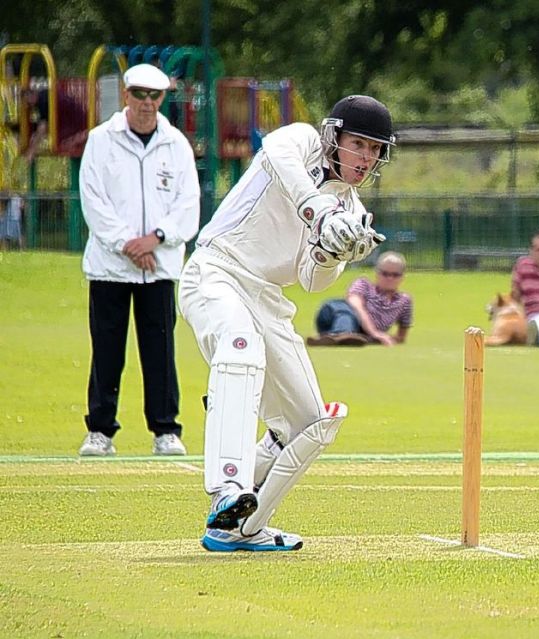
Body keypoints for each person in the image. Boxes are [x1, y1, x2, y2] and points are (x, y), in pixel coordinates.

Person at [178, 94, 394, 551]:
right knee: (240, 345)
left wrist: (329, 252)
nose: (365, 158)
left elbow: (312, 280)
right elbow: (276, 155)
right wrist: (319, 212)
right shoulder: (302, 141)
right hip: (217, 270)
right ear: (334, 137)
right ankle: (228, 487)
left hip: (269, 300)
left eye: (375, 149)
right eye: (359, 144)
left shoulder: (354, 212)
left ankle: (239, 527)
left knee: (309, 422)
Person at [77, 64, 200, 457]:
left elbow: (188, 206)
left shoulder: (176, 144)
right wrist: (128, 244)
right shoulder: (101, 140)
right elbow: (93, 201)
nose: (147, 103)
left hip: (159, 267)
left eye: (154, 96)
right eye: (140, 95)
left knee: (160, 351)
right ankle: (100, 431)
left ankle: (166, 430)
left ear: (162, 98)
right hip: (110, 267)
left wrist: (154, 240)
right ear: (126, 95)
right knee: (107, 350)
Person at [308, 251, 414, 347]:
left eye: (395, 275)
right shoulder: (364, 284)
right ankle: (341, 334)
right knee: (346, 310)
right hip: (334, 314)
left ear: (402, 277)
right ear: (377, 273)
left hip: (360, 333)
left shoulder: (404, 301)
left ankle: (334, 338)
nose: (389, 278)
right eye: (385, 274)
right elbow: (356, 305)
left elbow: (401, 336)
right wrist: (374, 333)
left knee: (353, 327)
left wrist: (384, 338)